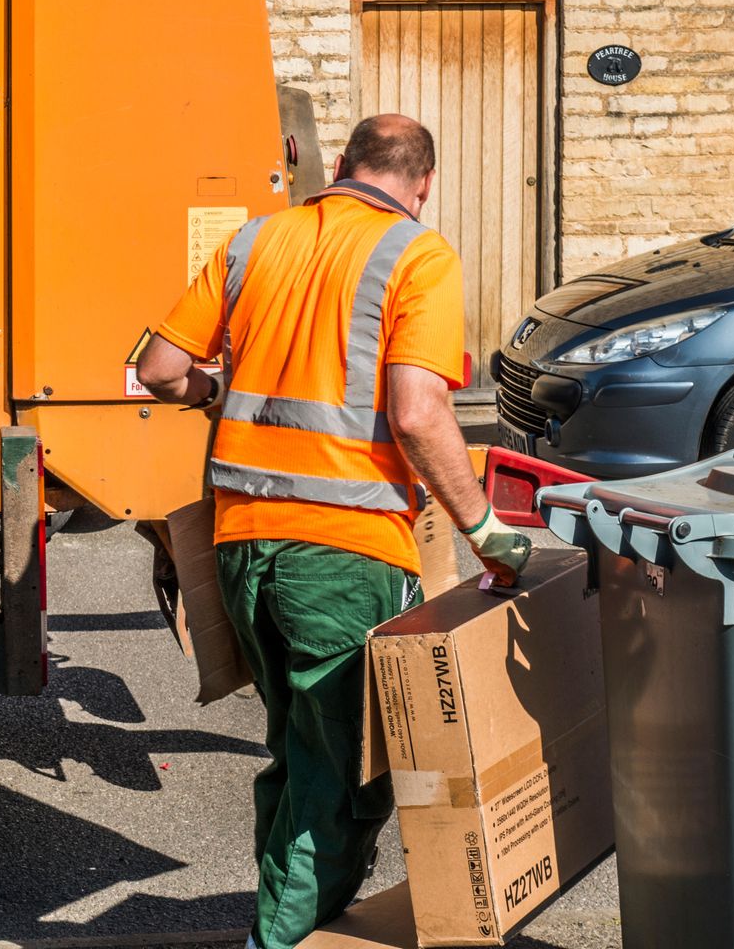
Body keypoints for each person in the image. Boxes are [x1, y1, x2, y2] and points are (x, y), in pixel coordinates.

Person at [135, 114, 531, 949]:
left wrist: (215, 393)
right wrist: (487, 530)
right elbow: (420, 416)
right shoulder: (419, 255)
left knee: (299, 753)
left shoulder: (256, 242)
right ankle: (279, 940)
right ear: (423, 183)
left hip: (244, 546)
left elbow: (160, 370)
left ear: (343, 164)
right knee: (347, 773)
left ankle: (288, 919)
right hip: (345, 552)